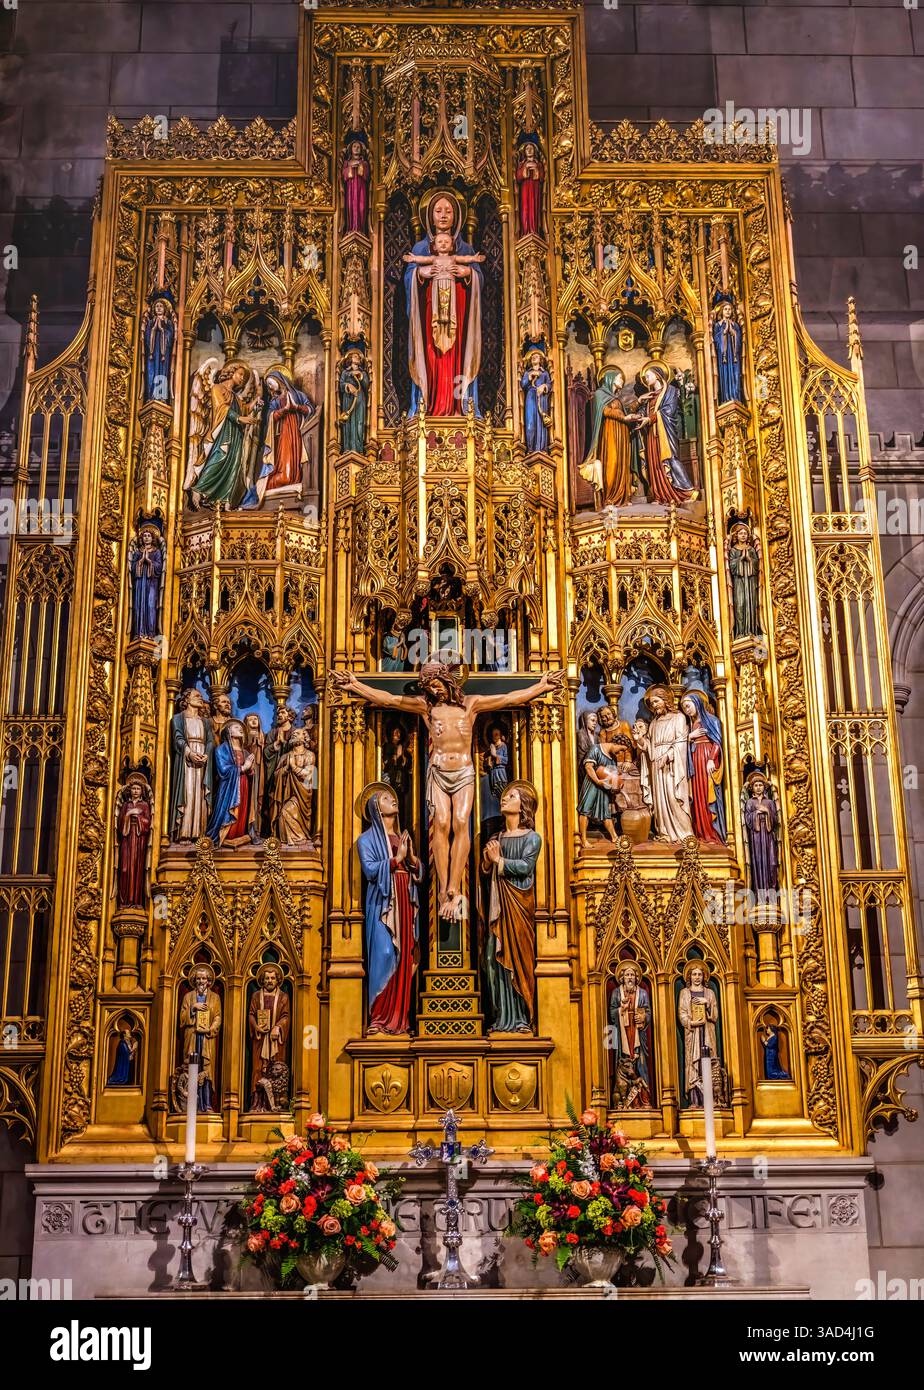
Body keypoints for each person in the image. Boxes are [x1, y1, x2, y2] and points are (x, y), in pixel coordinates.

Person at [332, 659, 564, 921]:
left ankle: (454, 884)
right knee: (441, 823)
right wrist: (355, 685)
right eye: (429, 686)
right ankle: (443, 888)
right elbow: (388, 699)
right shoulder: (426, 707)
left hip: (464, 771)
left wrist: (541, 686)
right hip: (438, 771)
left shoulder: (471, 704)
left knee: (460, 821)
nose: (434, 690)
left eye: (436, 683)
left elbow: (509, 698)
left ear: (446, 679)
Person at [405, 193, 483, 417]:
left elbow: (479, 280)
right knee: (431, 357)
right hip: (430, 318)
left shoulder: (465, 249)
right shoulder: (421, 249)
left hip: (459, 317)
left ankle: (461, 407)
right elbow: (409, 277)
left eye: (448, 211)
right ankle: (426, 406)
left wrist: (469, 274)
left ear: (456, 216)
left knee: (457, 358)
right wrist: (420, 274)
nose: (443, 216)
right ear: (430, 216)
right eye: (438, 211)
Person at [357, 785, 421, 1035]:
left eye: (393, 797)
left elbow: (417, 871)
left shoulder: (403, 837)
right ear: (375, 808)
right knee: (385, 952)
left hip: (404, 897)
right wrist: (396, 859)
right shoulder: (366, 840)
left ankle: (399, 1020)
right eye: (385, 798)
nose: (392, 799)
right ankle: (379, 1017)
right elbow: (371, 871)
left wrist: (412, 859)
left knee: (404, 956)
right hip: (384, 903)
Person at [482, 782, 542, 1033]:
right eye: (505, 796)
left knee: (518, 961)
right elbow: (485, 871)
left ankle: (519, 1018)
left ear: (524, 805)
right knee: (490, 959)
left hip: (519, 907)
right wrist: (487, 861)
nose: (505, 799)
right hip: (498, 907)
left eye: (512, 796)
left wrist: (498, 860)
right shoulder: (496, 838)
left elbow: (526, 867)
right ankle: (500, 1017)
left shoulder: (532, 838)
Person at [633, 685, 694, 842]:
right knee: (660, 800)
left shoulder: (678, 718)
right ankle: (665, 833)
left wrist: (667, 757)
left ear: (665, 700)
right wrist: (639, 739)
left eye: (656, 701)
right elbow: (649, 746)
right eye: (652, 703)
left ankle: (684, 833)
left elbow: (681, 742)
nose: (654, 706)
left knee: (674, 797)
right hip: (656, 765)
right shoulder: (654, 723)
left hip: (672, 765)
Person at [580, 367, 643, 507]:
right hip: (610, 434)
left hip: (622, 434)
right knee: (612, 463)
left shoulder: (616, 398)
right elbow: (605, 411)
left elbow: (625, 411)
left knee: (622, 464)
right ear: (611, 379)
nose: (622, 381)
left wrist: (639, 401)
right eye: (620, 378)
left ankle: (622, 497)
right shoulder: (599, 394)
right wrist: (624, 417)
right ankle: (610, 497)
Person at [636, 362, 695, 505]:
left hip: (665, 433)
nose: (647, 379)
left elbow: (668, 411)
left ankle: (687, 491)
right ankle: (659, 496)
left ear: (657, 376)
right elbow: (644, 412)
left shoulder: (671, 391)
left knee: (670, 460)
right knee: (653, 464)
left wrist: (650, 418)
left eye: (648, 376)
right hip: (651, 433)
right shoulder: (650, 395)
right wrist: (638, 416)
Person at [680, 689, 727, 845]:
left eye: (688, 705)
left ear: (697, 703)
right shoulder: (690, 725)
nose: (687, 709)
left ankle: (712, 833)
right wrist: (689, 738)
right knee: (698, 797)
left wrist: (712, 759)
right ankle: (700, 833)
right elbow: (686, 743)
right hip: (695, 760)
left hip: (706, 758)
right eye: (684, 707)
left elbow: (718, 741)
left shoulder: (711, 720)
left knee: (707, 796)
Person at [169, 689, 213, 843]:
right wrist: (189, 753)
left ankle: (199, 833)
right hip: (186, 761)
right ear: (186, 700)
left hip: (202, 760)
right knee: (187, 793)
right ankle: (185, 832)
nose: (200, 699)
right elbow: (178, 738)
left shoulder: (206, 721)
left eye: (201, 697)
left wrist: (206, 754)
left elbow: (210, 741)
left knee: (200, 794)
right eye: (197, 696)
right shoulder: (178, 719)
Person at [179, 964, 222, 1113]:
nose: (201, 981)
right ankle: (192, 1103)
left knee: (206, 1069)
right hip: (192, 1035)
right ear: (194, 980)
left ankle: (207, 1103)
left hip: (207, 1039)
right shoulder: (188, 997)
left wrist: (211, 1029)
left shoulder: (215, 997)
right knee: (191, 1066)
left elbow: (217, 1017)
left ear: (209, 981)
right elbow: (182, 1018)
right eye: (198, 978)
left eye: (204, 978)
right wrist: (193, 1008)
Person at [248, 964, 290, 1111]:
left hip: (275, 1042)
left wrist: (278, 1027)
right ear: (262, 980)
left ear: (278, 980)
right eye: (267, 978)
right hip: (259, 1041)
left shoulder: (284, 997)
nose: (270, 981)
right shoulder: (255, 996)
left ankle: (275, 1104)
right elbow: (251, 1014)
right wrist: (256, 1027)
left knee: (275, 1070)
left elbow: (286, 1016)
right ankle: (257, 1104)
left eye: (273, 978)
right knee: (258, 1070)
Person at [609, 962, 652, 1109]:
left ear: (637, 977)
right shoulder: (616, 993)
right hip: (622, 1035)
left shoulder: (643, 993)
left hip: (638, 1034)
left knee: (640, 1064)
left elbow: (648, 1012)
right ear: (622, 977)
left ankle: (644, 1100)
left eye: (632, 975)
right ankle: (625, 1101)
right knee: (623, 1065)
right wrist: (622, 1008)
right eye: (627, 975)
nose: (630, 978)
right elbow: (611, 1013)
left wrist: (643, 1018)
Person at [677, 961, 720, 1106]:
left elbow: (715, 1015)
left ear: (704, 976)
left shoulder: (710, 993)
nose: (697, 977)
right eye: (694, 974)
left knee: (708, 1063)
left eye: (700, 974)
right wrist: (692, 1023)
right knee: (694, 1064)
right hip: (693, 1033)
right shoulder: (684, 993)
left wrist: (706, 1003)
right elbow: (682, 1013)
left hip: (707, 1033)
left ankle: (710, 1099)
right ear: (689, 976)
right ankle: (695, 1100)